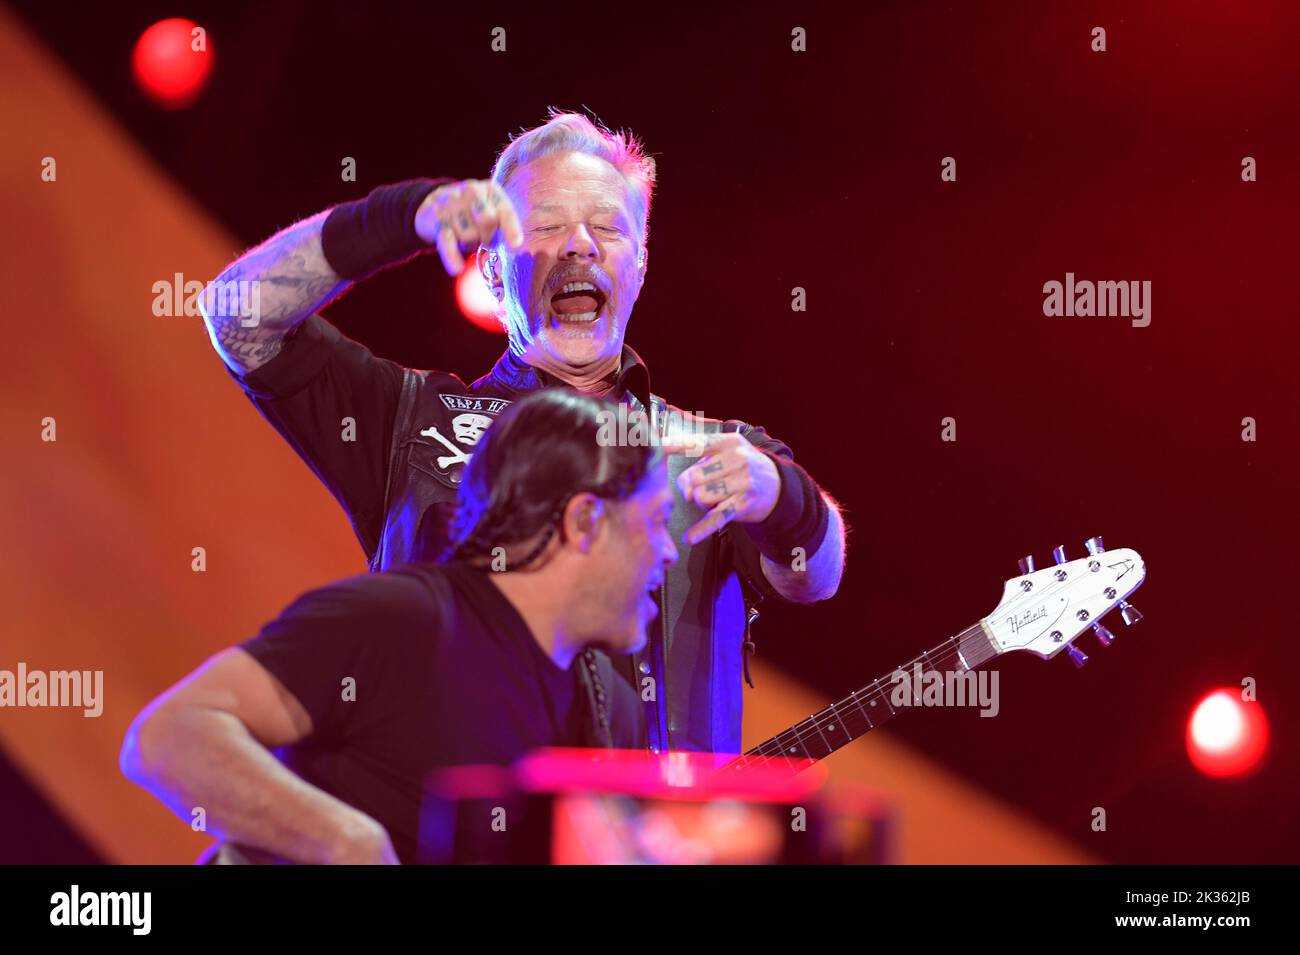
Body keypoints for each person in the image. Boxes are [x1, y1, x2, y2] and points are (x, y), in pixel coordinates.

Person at [199, 108, 846, 756]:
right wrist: (400, 217)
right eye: (546, 225)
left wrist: (781, 495)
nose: (579, 244)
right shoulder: (408, 419)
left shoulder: (707, 449)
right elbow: (236, 314)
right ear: (491, 272)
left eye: (605, 227)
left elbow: (816, 576)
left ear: (641, 266)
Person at [120, 390, 676, 865]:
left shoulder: (614, 716)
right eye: (655, 522)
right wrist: (346, 841)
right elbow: (169, 734)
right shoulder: (402, 620)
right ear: (584, 521)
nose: (671, 552)